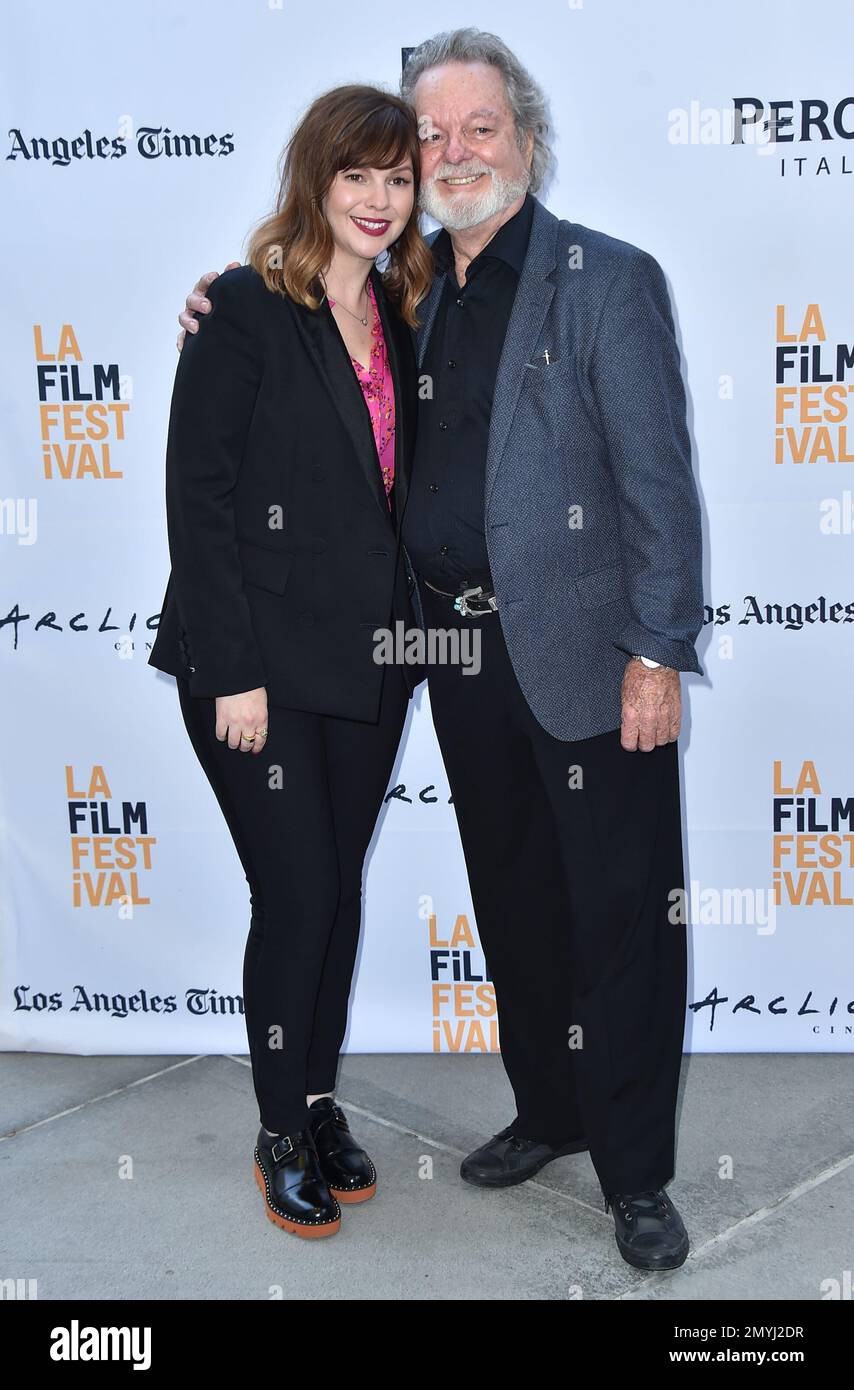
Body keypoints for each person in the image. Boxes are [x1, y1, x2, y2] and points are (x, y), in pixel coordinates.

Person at [177, 28, 705, 1271]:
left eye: (479, 129)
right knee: (516, 905)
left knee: (620, 914)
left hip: (585, 657)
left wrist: (655, 649)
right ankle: (550, 1108)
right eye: (430, 136)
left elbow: (658, 486)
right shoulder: (403, 280)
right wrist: (220, 293)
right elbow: (287, 344)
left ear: (524, 137)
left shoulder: (603, 278)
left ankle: (634, 1176)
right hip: (446, 654)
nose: (450, 154)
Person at [149, 84, 433, 1238]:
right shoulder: (244, 308)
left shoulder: (411, 314)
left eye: (396, 178)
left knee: (336, 890)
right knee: (298, 889)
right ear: (316, 179)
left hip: (368, 664)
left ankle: (316, 1098)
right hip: (256, 666)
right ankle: (277, 1125)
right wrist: (233, 671)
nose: (377, 199)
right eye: (356, 175)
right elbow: (197, 497)